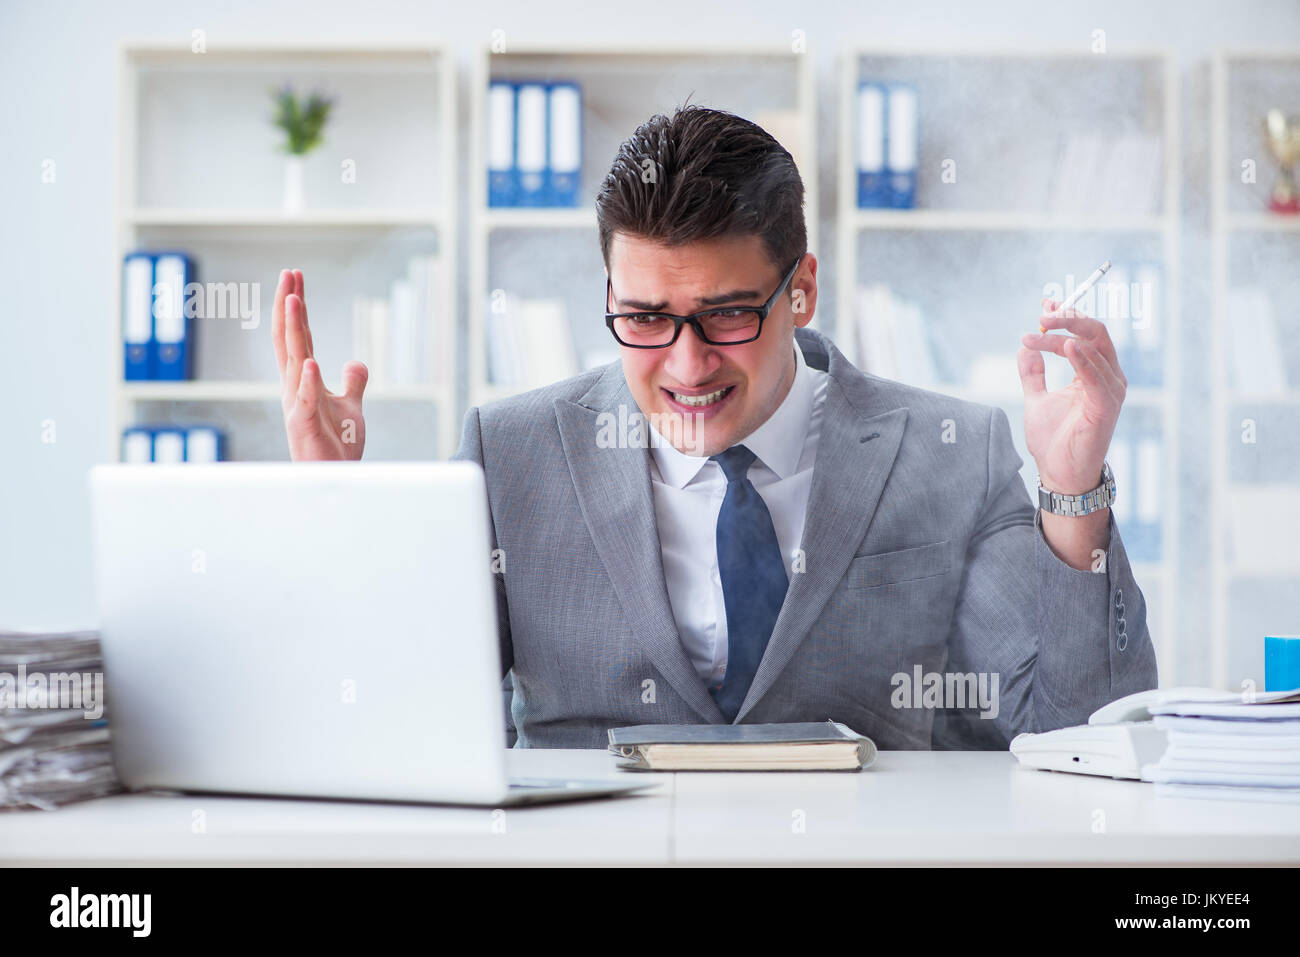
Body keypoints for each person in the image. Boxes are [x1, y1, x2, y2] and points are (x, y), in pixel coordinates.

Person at [271, 105, 1156, 749]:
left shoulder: (949, 450)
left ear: (800, 287)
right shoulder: (514, 456)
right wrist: (336, 508)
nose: (688, 366)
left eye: (729, 316)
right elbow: (398, 724)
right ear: (609, 297)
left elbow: (1073, 736)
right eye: (646, 318)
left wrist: (1072, 488)